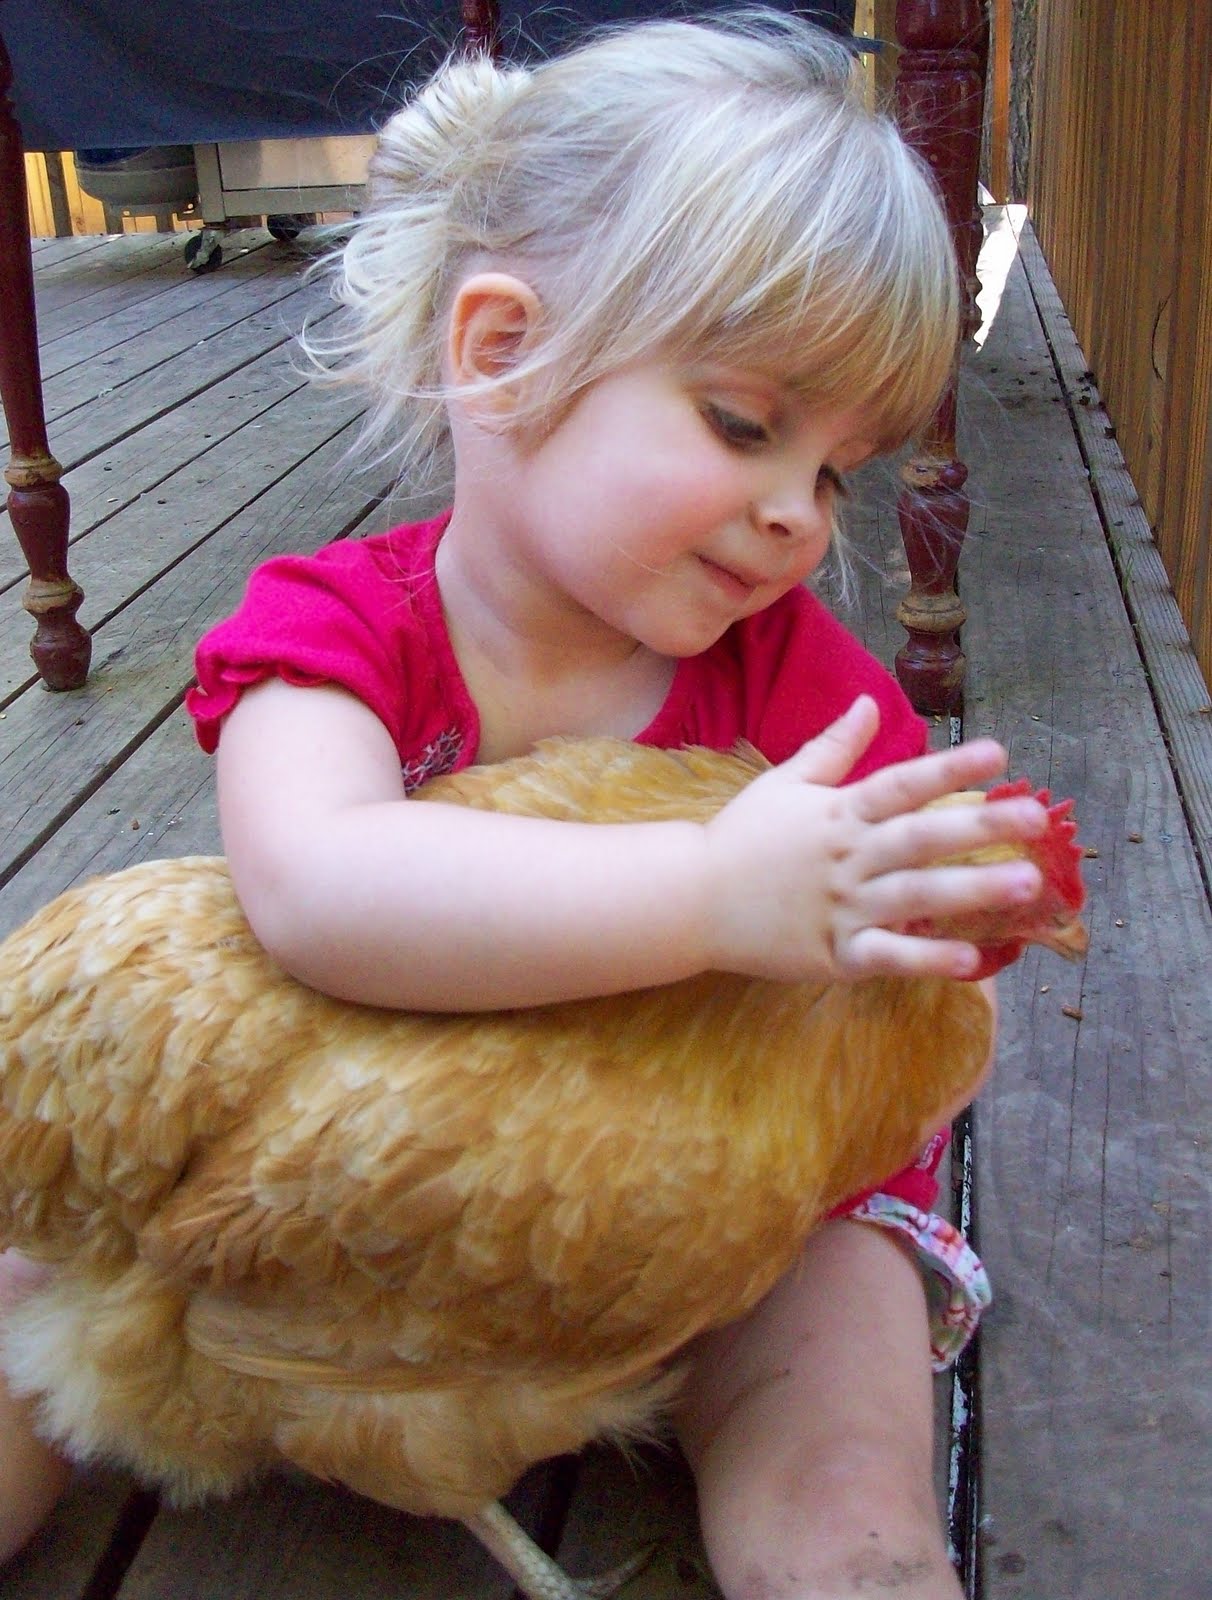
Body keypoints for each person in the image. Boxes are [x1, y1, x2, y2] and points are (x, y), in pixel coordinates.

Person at [0, 14, 1047, 1595]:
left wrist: (943, 892)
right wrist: (711, 897)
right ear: (500, 352)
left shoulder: (806, 692)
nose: (793, 515)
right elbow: (320, 887)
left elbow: (908, 935)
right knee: (46, 1298)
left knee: (839, 1432)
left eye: (839, 471)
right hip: (339, 1229)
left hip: (709, 1236)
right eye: (748, 425)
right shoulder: (335, 640)